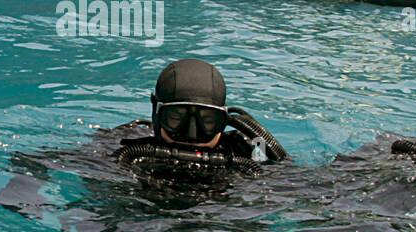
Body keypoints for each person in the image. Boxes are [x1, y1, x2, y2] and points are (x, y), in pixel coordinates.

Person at [113, 58, 289, 173]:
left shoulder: (247, 152)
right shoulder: (125, 141)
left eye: (208, 120)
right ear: (157, 114)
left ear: (224, 120)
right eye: (176, 118)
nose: (191, 133)